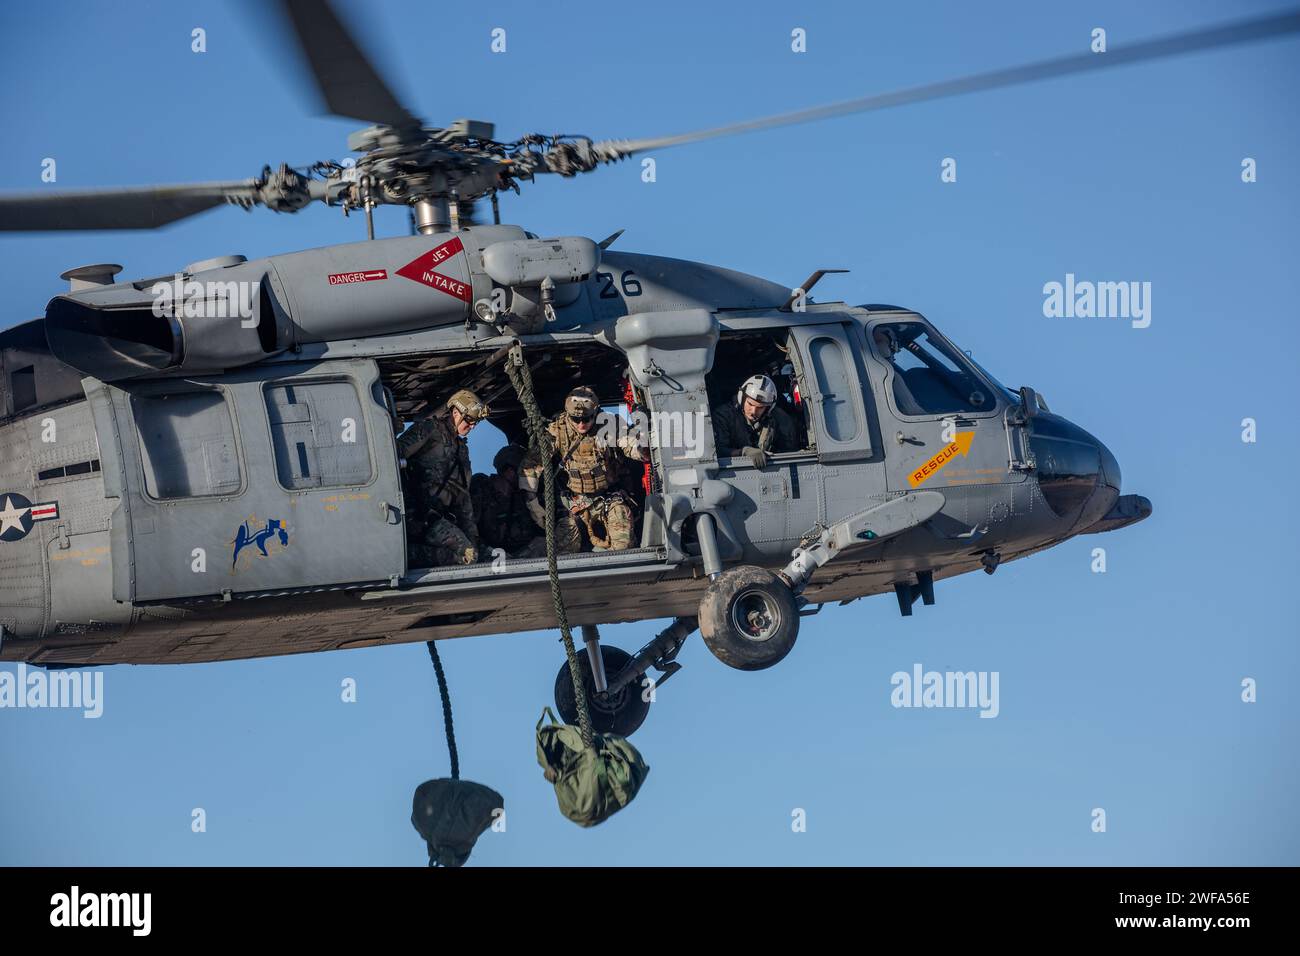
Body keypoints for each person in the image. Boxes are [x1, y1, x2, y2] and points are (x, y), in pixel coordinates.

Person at [520, 386, 649, 552]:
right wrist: (533, 502)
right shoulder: (557, 431)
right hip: (574, 503)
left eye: (586, 419)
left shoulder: (609, 425)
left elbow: (631, 446)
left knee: (623, 542)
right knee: (564, 548)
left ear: (595, 413)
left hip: (607, 498)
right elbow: (531, 465)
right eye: (575, 419)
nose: (581, 424)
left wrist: (642, 444)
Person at [399, 389, 488, 567]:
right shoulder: (429, 430)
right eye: (470, 420)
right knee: (466, 555)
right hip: (416, 515)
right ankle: (406, 557)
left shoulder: (461, 449)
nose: (472, 426)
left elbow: (463, 498)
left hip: (438, 519)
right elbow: (392, 456)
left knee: (476, 554)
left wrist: (473, 536)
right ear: (456, 412)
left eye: (475, 423)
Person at [471, 444, 579, 560]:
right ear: (509, 471)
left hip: (520, 557)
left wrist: (531, 497)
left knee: (545, 543)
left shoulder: (525, 497)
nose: (526, 477)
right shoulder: (482, 487)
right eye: (523, 473)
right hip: (487, 555)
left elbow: (546, 527)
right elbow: (469, 526)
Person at [711, 373, 798, 468]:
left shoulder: (780, 419)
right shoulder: (723, 416)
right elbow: (718, 451)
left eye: (760, 407)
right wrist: (744, 451)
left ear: (768, 407)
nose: (753, 411)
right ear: (742, 398)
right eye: (750, 404)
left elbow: (790, 453)